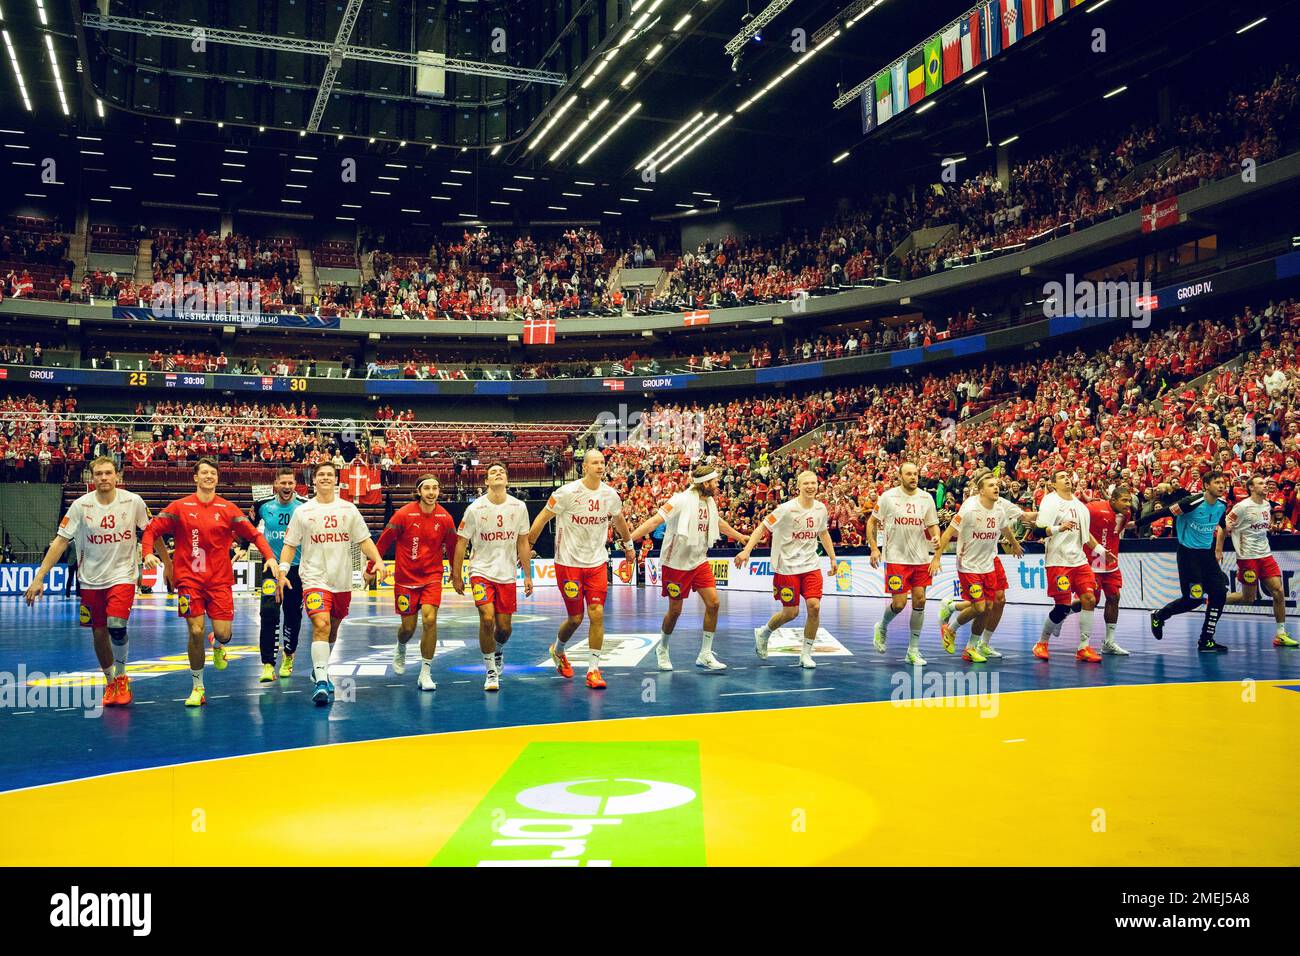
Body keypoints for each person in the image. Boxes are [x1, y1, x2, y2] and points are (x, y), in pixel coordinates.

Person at [142, 457, 282, 707]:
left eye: (213, 474)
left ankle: (217, 644)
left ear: (217, 479)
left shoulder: (228, 509)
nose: (209, 477)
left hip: (219, 582)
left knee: (224, 633)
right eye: (204, 473)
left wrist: (270, 557)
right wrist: (147, 553)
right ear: (195, 477)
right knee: (194, 631)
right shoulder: (179, 507)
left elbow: (254, 534)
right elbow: (151, 529)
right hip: (189, 581)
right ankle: (198, 687)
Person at [24, 456, 161, 706]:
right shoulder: (80, 506)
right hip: (90, 580)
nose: (104, 478)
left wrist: (164, 562)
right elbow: (60, 541)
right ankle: (110, 681)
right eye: (99, 474)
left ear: (117, 476)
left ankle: (121, 676)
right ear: (91, 477)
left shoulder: (133, 502)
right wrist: (39, 576)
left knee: (116, 626)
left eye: (108, 473)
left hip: (123, 576)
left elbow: (152, 529)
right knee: (98, 634)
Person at [527, 449, 636, 690]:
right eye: (594, 463)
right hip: (568, 563)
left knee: (596, 613)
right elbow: (543, 518)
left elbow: (619, 522)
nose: (600, 466)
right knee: (575, 618)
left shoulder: (611, 495)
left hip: (597, 562)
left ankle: (593, 670)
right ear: (584, 467)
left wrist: (629, 546)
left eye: (602, 462)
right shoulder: (566, 493)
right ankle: (558, 649)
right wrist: (528, 546)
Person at [279, 461, 383, 705]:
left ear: (336, 480)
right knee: (321, 624)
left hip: (342, 581)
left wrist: (377, 560)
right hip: (314, 579)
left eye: (330, 474)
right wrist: (283, 570)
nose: (325, 478)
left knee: (332, 629)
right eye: (321, 475)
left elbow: (364, 540)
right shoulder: (302, 512)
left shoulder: (348, 509)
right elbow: (290, 545)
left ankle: (320, 667)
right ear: (313, 480)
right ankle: (322, 681)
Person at [628, 464, 748, 671]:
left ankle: (705, 653)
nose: (718, 484)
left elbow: (718, 523)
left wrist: (740, 536)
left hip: (699, 560)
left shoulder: (710, 503)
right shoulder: (680, 500)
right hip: (675, 564)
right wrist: (630, 540)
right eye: (715, 481)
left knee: (714, 603)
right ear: (705, 483)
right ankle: (662, 648)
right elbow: (655, 521)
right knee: (675, 611)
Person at [734, 470, 841, 669]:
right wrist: (746, 551)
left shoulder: (821, 509)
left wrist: (833, 558)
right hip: (787, 568)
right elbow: (762, 528)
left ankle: (806, 654)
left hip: (811, 565)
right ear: (798, 487)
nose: (810, 486)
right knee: (790, 612)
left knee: (814, 607)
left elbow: (823, 533)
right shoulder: (785, 509)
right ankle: (765, 632)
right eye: (806, 483)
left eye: (813, 483)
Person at [369, 474, 456, 691]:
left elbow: (454, 549)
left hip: (432, 578)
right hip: (406, 579)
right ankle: (400, 647)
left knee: (430, 620)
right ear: (418, 491)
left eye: (435, 488)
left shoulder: (445, 518)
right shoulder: (403, 515)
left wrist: (456, 574)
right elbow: (383, 542)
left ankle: (425, 672)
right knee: (408, 628)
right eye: (427, 488)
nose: (431, 492)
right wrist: (371, 567)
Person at [452, 462, 533, 692]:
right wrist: (457, 575)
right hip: (481, 571)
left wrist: (527, 575)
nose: (498, 474)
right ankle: (489, 671)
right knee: (487, 618)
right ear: (486, 481)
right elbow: (461, 541)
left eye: (502, 472)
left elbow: (523, 542)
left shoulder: (519, 507)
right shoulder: (475, 509)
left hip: (506, 574)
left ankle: (498, 650)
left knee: (504, 628)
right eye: (492, 473)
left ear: (507, 480)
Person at [929, 472, 1023, 662]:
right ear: (980, 491)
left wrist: (1014, 543)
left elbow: (1005, 528)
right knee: (979, 607)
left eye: (997, 485)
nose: (996, 488)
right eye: (991, 485)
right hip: (968, 564)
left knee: (988, 606)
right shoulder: (969, 509)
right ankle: (951, 629)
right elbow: (947, 534)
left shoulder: (999, 509)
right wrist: (936, 558)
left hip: (988, 564)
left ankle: (971, 648)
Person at [1137, 471, 1231, 652]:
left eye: (1223, 483)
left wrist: (1218, 549)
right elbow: (1164, 512)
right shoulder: (1191, 503)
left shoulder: (1221, 505)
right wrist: (1137, 523)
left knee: (1219, 594)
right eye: (1217, 482)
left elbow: (1222, 525)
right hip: (1188, 555)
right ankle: (1159, 615)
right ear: (1206, 485)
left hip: (1208, 555)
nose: (1221, 486)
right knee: (1194, 599)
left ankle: (1206, 639)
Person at [1034, 469, 1112, 662]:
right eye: (1061, 477)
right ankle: (1042, 643)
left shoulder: (1081, 507)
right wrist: (1058, 528)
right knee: (1062, 606)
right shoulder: (1050, 501)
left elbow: (1086, 537)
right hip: (1058, 561)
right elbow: (1038, 531)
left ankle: (1083, 647)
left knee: (1089, 598)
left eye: (1068, 476)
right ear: (1053, 484)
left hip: (1079, 561)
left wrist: (1102, 551)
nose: (1067, 478)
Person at [867, 462, 940, 665]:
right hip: (896, 558)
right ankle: (881, 626)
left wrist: (936, 538)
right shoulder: (888, 497)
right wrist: (874, 548)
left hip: (920, 558)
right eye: (908, 474)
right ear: (900, 476)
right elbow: (871, 522)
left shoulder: (926, 498)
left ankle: (913, 650)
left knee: (920, 600)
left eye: (915, 474)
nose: (913, 477)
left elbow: (933, 526)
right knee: (899, 604)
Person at [250, 467, 306, 681]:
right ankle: (267, 664)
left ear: (295, 484)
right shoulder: (262, 505)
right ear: (276, 484)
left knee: (292, 614)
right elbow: (249, 528)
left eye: (290, 483)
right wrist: (239, 549)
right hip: (271, 568)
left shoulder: (304, 506)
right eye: (283, 483)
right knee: (268, 612)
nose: (287, 487)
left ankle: (289, 656)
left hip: (296, 569)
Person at [1225, 475, 1294, 647]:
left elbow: (1259, 525)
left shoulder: (1267, 504)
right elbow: (1224, 526)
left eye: (1265, 483)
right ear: (1251, 488)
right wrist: (1220, 547)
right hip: (1248, 558)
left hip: (1266, 555)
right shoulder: (1241, 507)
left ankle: (1280, 634)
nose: (1265, 485)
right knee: (1248, 598)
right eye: (1260, 483)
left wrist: (1269, 527)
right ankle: (1216, 599)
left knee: (1278, 591)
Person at [1084, 483, 1135, 655]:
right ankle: (1062, 614)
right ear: (1112, 500)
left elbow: (1118, 529)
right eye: (1124, 500)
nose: (1128, 504)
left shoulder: (1126, 514)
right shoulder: (1094, 508)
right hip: (1092, 562)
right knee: (1091, 601)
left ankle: (1109, 642)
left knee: (1114, 597)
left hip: (1111, 564)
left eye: (1129, 500)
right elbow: (1077, 521)